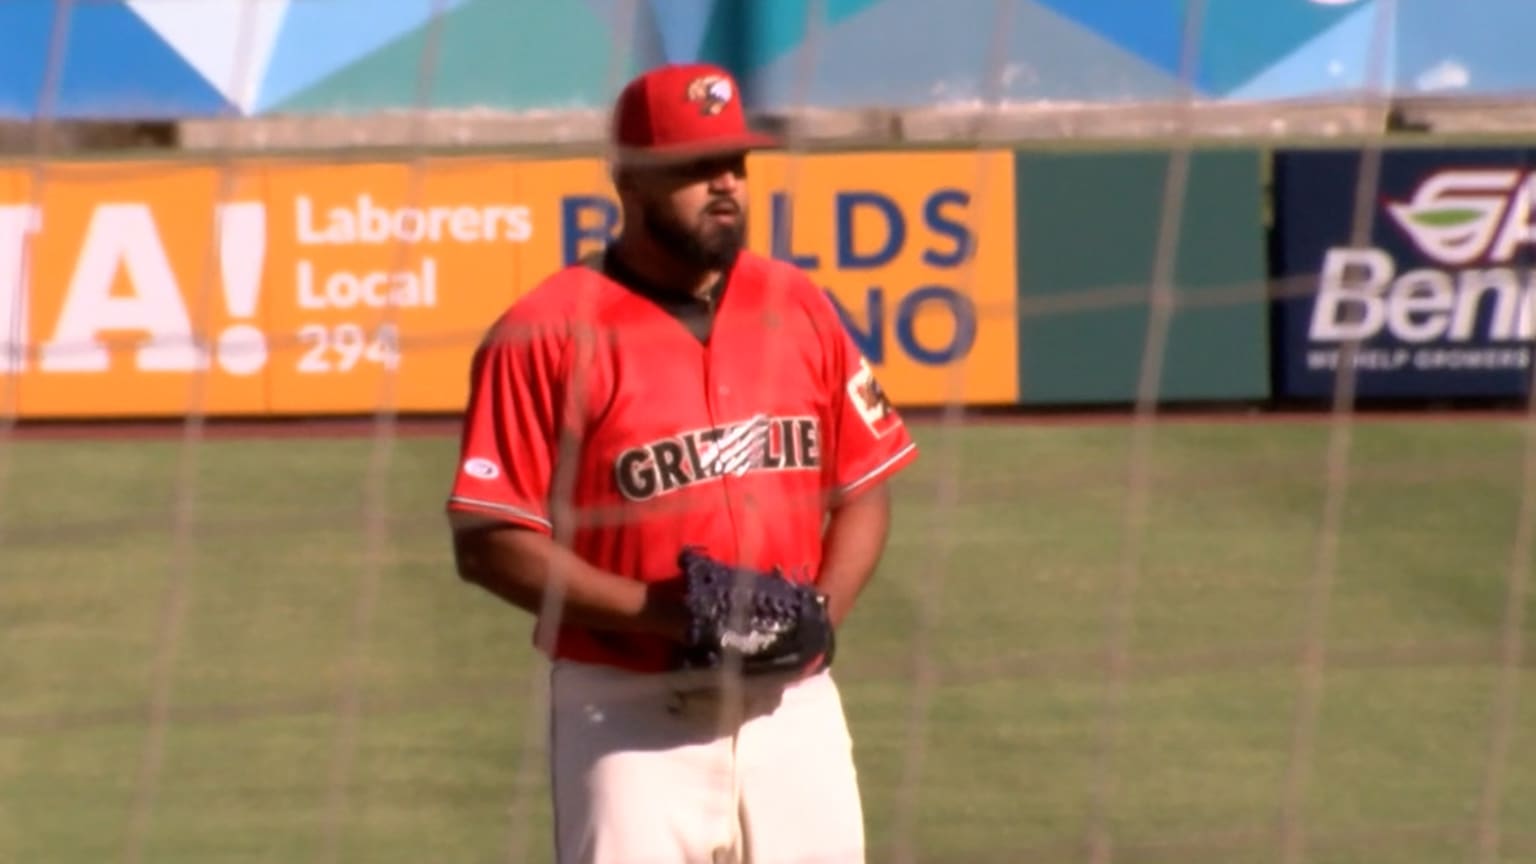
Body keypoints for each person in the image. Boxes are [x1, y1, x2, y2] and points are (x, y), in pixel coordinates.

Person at [443, 61, 919, 864]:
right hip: (628, 716)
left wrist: (819, 616)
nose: (725, 184)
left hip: (792, 712)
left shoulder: (797, 304)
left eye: (734, 163)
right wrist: (673, 613)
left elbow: (865, 486)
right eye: (695, 167)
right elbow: (488, 541)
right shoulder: (544, 333)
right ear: (628, 177)